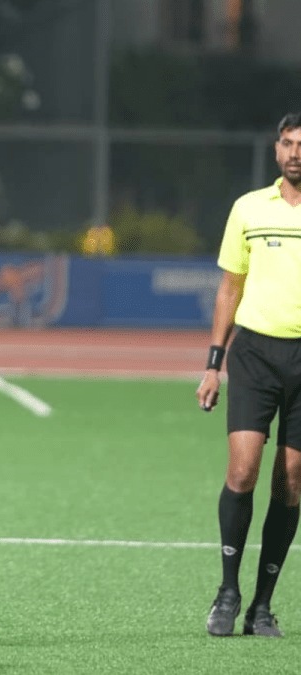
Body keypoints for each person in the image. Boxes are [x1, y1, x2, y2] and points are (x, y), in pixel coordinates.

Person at [196, 112, 301, 638]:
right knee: (242, 473)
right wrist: (213, 365)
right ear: (276, 149)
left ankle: (262, 605)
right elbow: (229, 288)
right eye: (288, 143)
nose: (295, 152)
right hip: (255, 354)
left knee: (292, 482)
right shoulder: (249, 208)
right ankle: (227, 592)